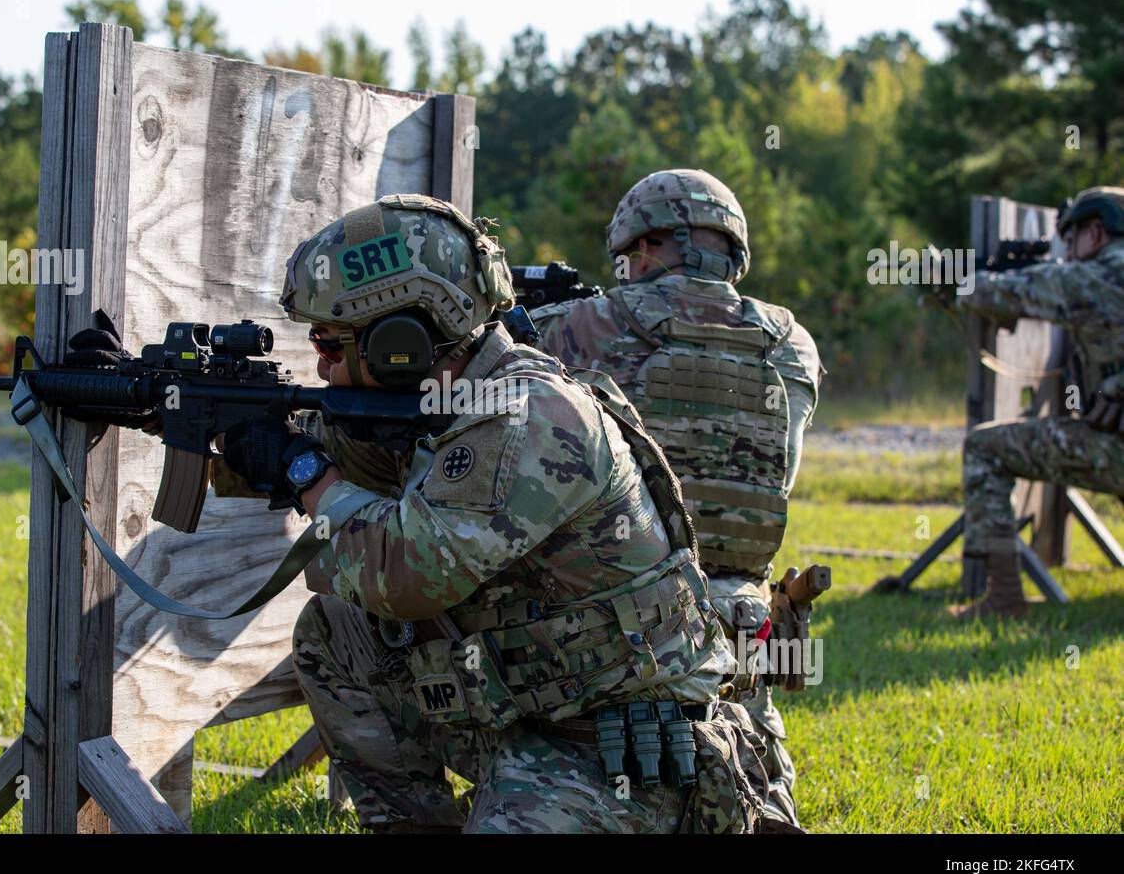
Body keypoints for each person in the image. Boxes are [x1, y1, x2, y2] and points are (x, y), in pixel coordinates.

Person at [213, 193, 771, 833]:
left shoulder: (525, 415)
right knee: (337, 633)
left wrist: (301, 469)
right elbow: (330, 439)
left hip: (624, 751)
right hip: (523, 709)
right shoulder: (444, 402)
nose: (320, 362)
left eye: (331, 342)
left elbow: (404, 576)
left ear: (402, 342)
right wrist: (181, 407)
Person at [531, 169, 824, 829]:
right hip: (742, 624)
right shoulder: (792, 344)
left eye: (631, 255)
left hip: (621, 624)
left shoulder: (583, 325)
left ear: (647, 244)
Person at [952, 185, 1124, 619]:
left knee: (985, 449)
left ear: (1096, 232)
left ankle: (1005, 597)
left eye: (1071, 238)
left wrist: (949, 279)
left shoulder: (1089, 278)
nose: (1066, 249)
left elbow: (989, 293)